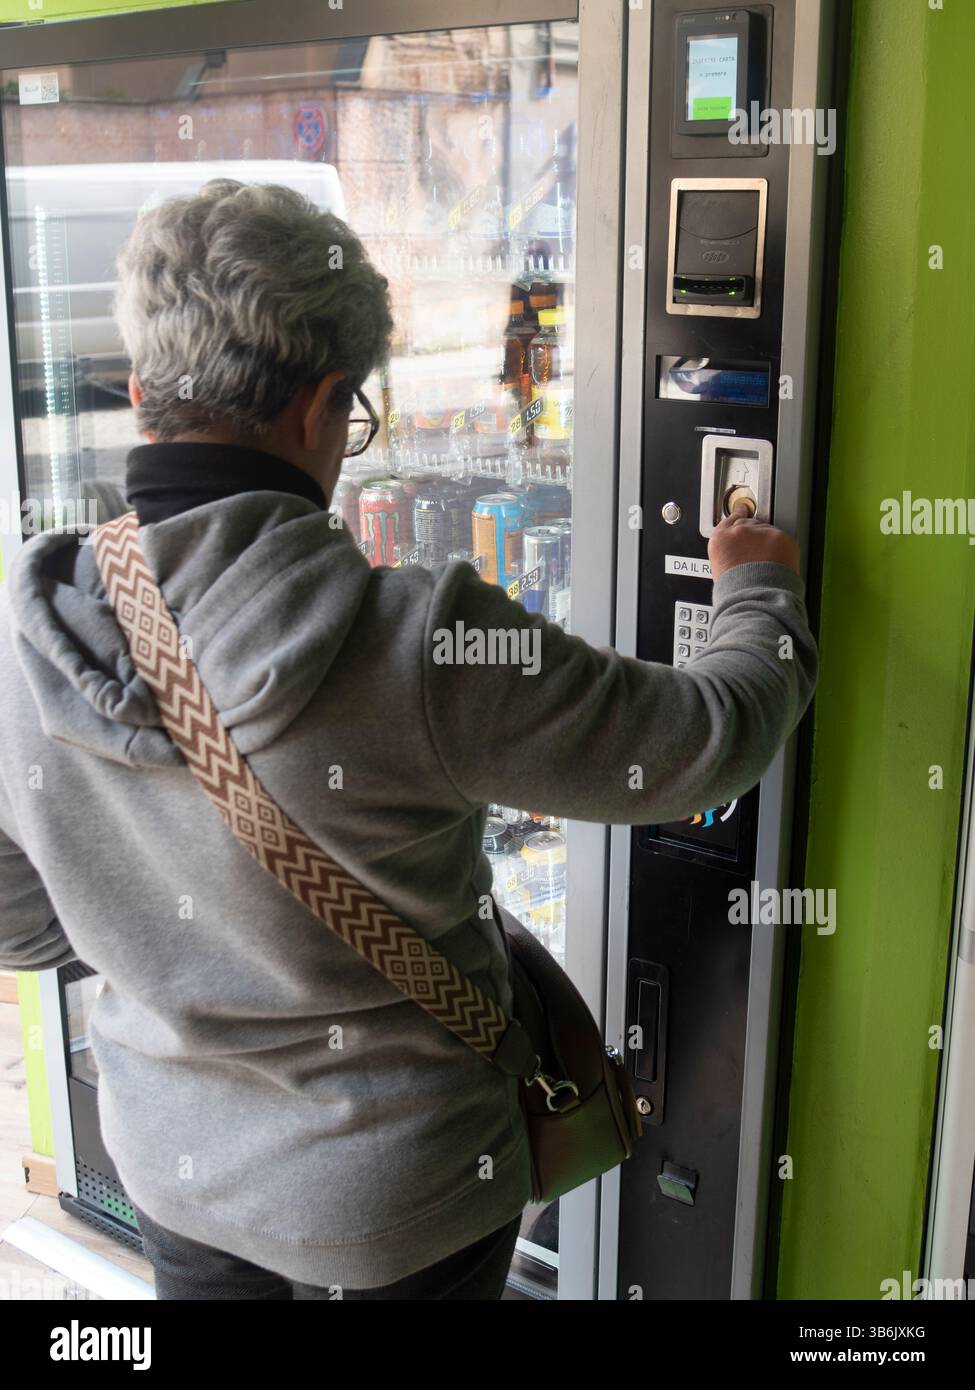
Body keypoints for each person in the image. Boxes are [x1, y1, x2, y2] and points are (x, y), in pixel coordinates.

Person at [0, 180, 817, 1300]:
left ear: (143, 394)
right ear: (324, 406)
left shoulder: (25, 639)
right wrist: (758, 591)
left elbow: (19, 916)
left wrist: (174, 919)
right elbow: (706, 741)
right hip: (399, 1203)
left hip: (175, 1174)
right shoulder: (420, 644)